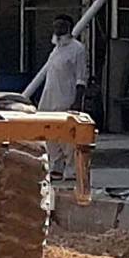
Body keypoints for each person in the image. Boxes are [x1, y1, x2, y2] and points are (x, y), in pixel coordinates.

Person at [39, 14, 88, 179]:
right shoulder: (56, 49)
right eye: (56, 26)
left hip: (66, 97)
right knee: (49, 134)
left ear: (69, 27)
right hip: (49, 97)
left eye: (61, 26)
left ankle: (72, 170)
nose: (58, 29)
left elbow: (81, 78)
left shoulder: (77, 49)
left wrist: (77, 101)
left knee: (67, 136)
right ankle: (56, 168)